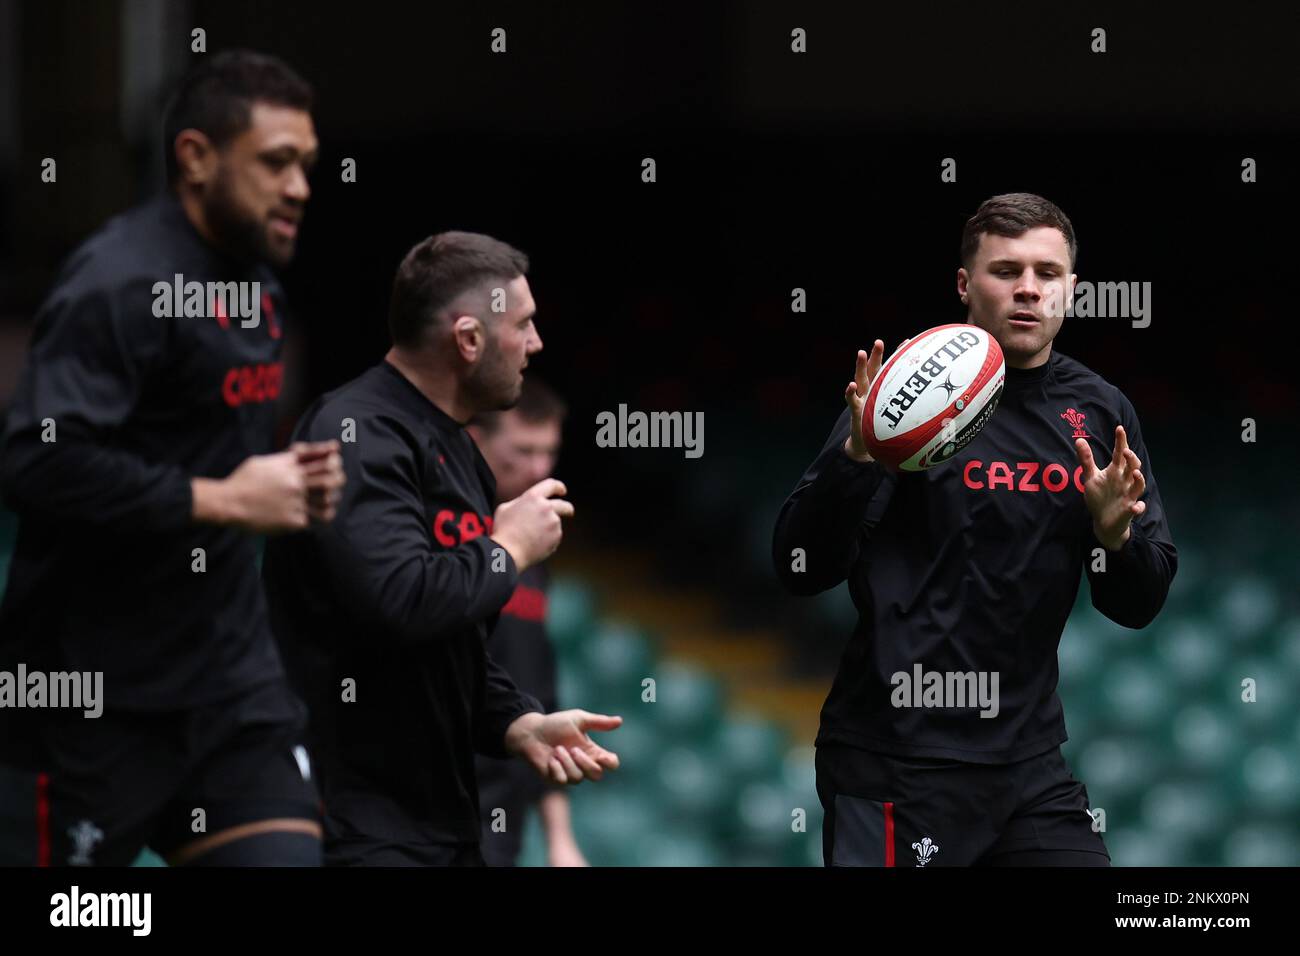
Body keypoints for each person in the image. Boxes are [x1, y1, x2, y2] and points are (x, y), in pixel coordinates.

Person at [0, 50, 344, 867]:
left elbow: (215, 453)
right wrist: (221, 501)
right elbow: (36, 461)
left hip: (232, 694)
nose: (299, 186)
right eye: (275, 162)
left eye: (307, 165)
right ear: (194, 157)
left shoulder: (257, 280)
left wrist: (293, 486)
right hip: (89, 705)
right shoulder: (117, 283)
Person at [773, 192, 1176, 867]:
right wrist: (859, 457)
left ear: (1071, 290)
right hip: (895, 759)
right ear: (965, 283)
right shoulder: (906, 395)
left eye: (1047, 274)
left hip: (1029, 765)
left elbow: (1137, 606)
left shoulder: (1099, 409)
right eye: (1005, 270)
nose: (1028, 289)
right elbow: (801, 566)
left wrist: (1114, 539)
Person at [263, 231, 620, 866]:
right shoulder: (358, 432)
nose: (536, 344)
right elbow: (396, 600)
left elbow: (446, 641)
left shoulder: (456, 449)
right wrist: (506, 546)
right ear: (468, 339)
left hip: (443, 820)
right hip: (353, 820)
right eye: (525, 324)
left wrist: (517, 721)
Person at [468, 378, 588, 867]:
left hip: (502, 816)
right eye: (523, 449)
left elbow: (540, 693)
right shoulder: (442, 537)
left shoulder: (536, 554)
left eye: (549, 452)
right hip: (431, 803)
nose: (540, 469)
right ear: (477, 441)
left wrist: (560, 839)